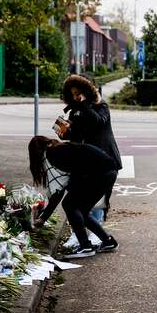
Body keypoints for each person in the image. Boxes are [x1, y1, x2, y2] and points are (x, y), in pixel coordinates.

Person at [28, 136, 119, 258]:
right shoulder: (59, 149)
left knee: (70, 204)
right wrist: (44, 218)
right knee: (81, 209)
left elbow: (59, 192)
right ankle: (107, 241)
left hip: (100, 174)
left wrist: (43, 218)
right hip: (107, 172)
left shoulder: (53, 155)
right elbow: (64, 186)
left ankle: (86, 246)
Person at [58, 74, 122, 244]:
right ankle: (87, 237)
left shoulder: (101, 107)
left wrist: (85, 104)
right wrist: (65, 133)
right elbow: (77, 135)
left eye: (78, 93)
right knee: (77, 203)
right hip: (85, 162)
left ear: (87, 91)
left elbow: (97, 122)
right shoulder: (75, 111)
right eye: (72, 94)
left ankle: (93, 236)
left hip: (104, 162)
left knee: (94, 201)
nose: (75, 97)